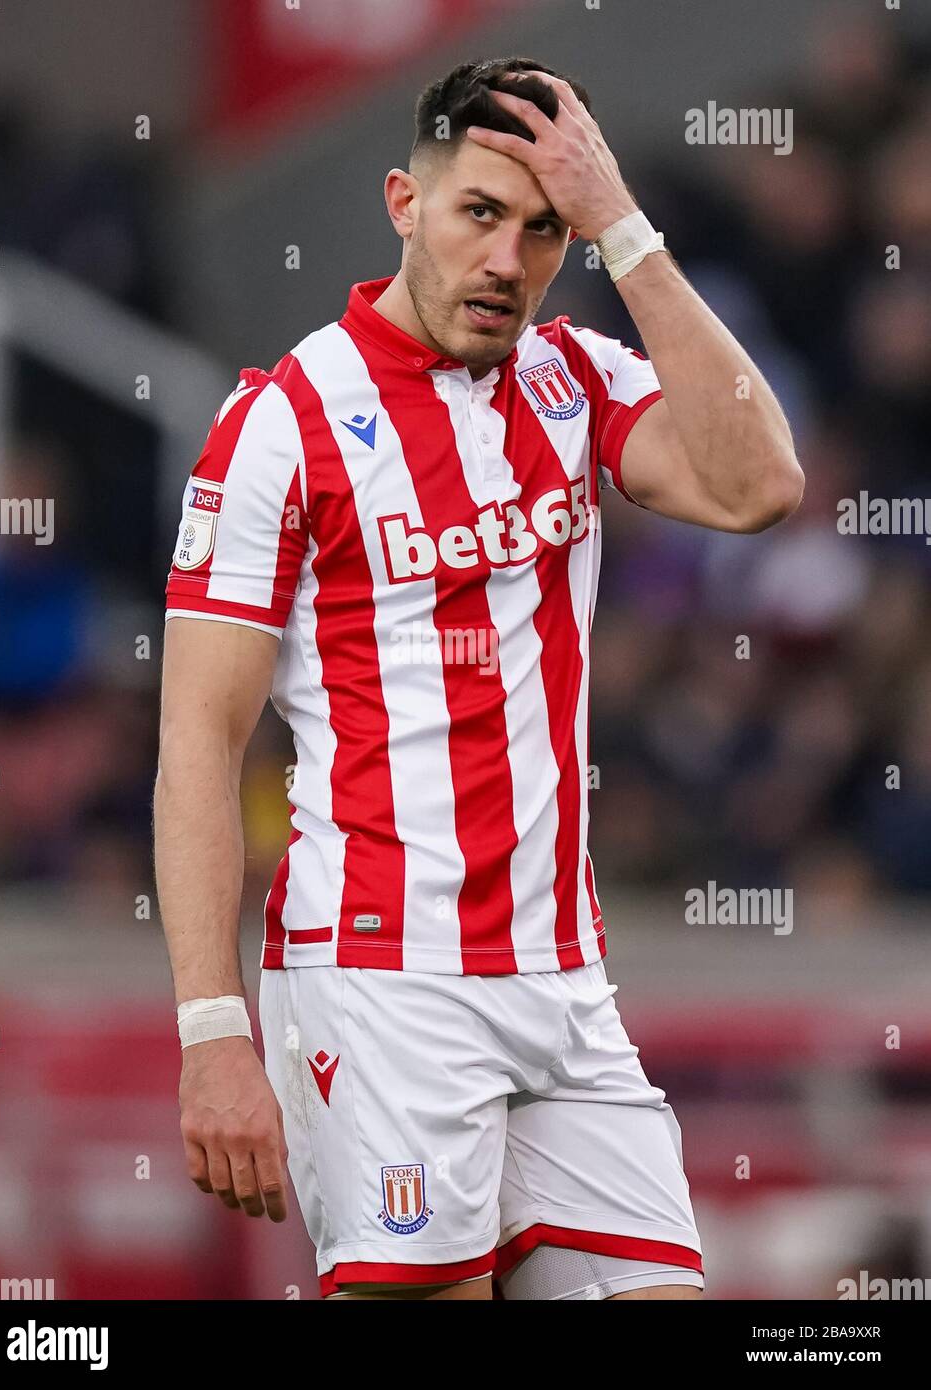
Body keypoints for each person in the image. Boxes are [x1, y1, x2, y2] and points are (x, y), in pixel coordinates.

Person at [154, 57, 804, 1301]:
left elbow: (756, 483)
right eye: (479, 216)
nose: (508, 259)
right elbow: (196, 744)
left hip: (561, 979)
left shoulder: (574, 379)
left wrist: (625, 230)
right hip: (380, 974)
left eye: (545, 230)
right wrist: (211, 1028)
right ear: (404, 202)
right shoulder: (282, 424)